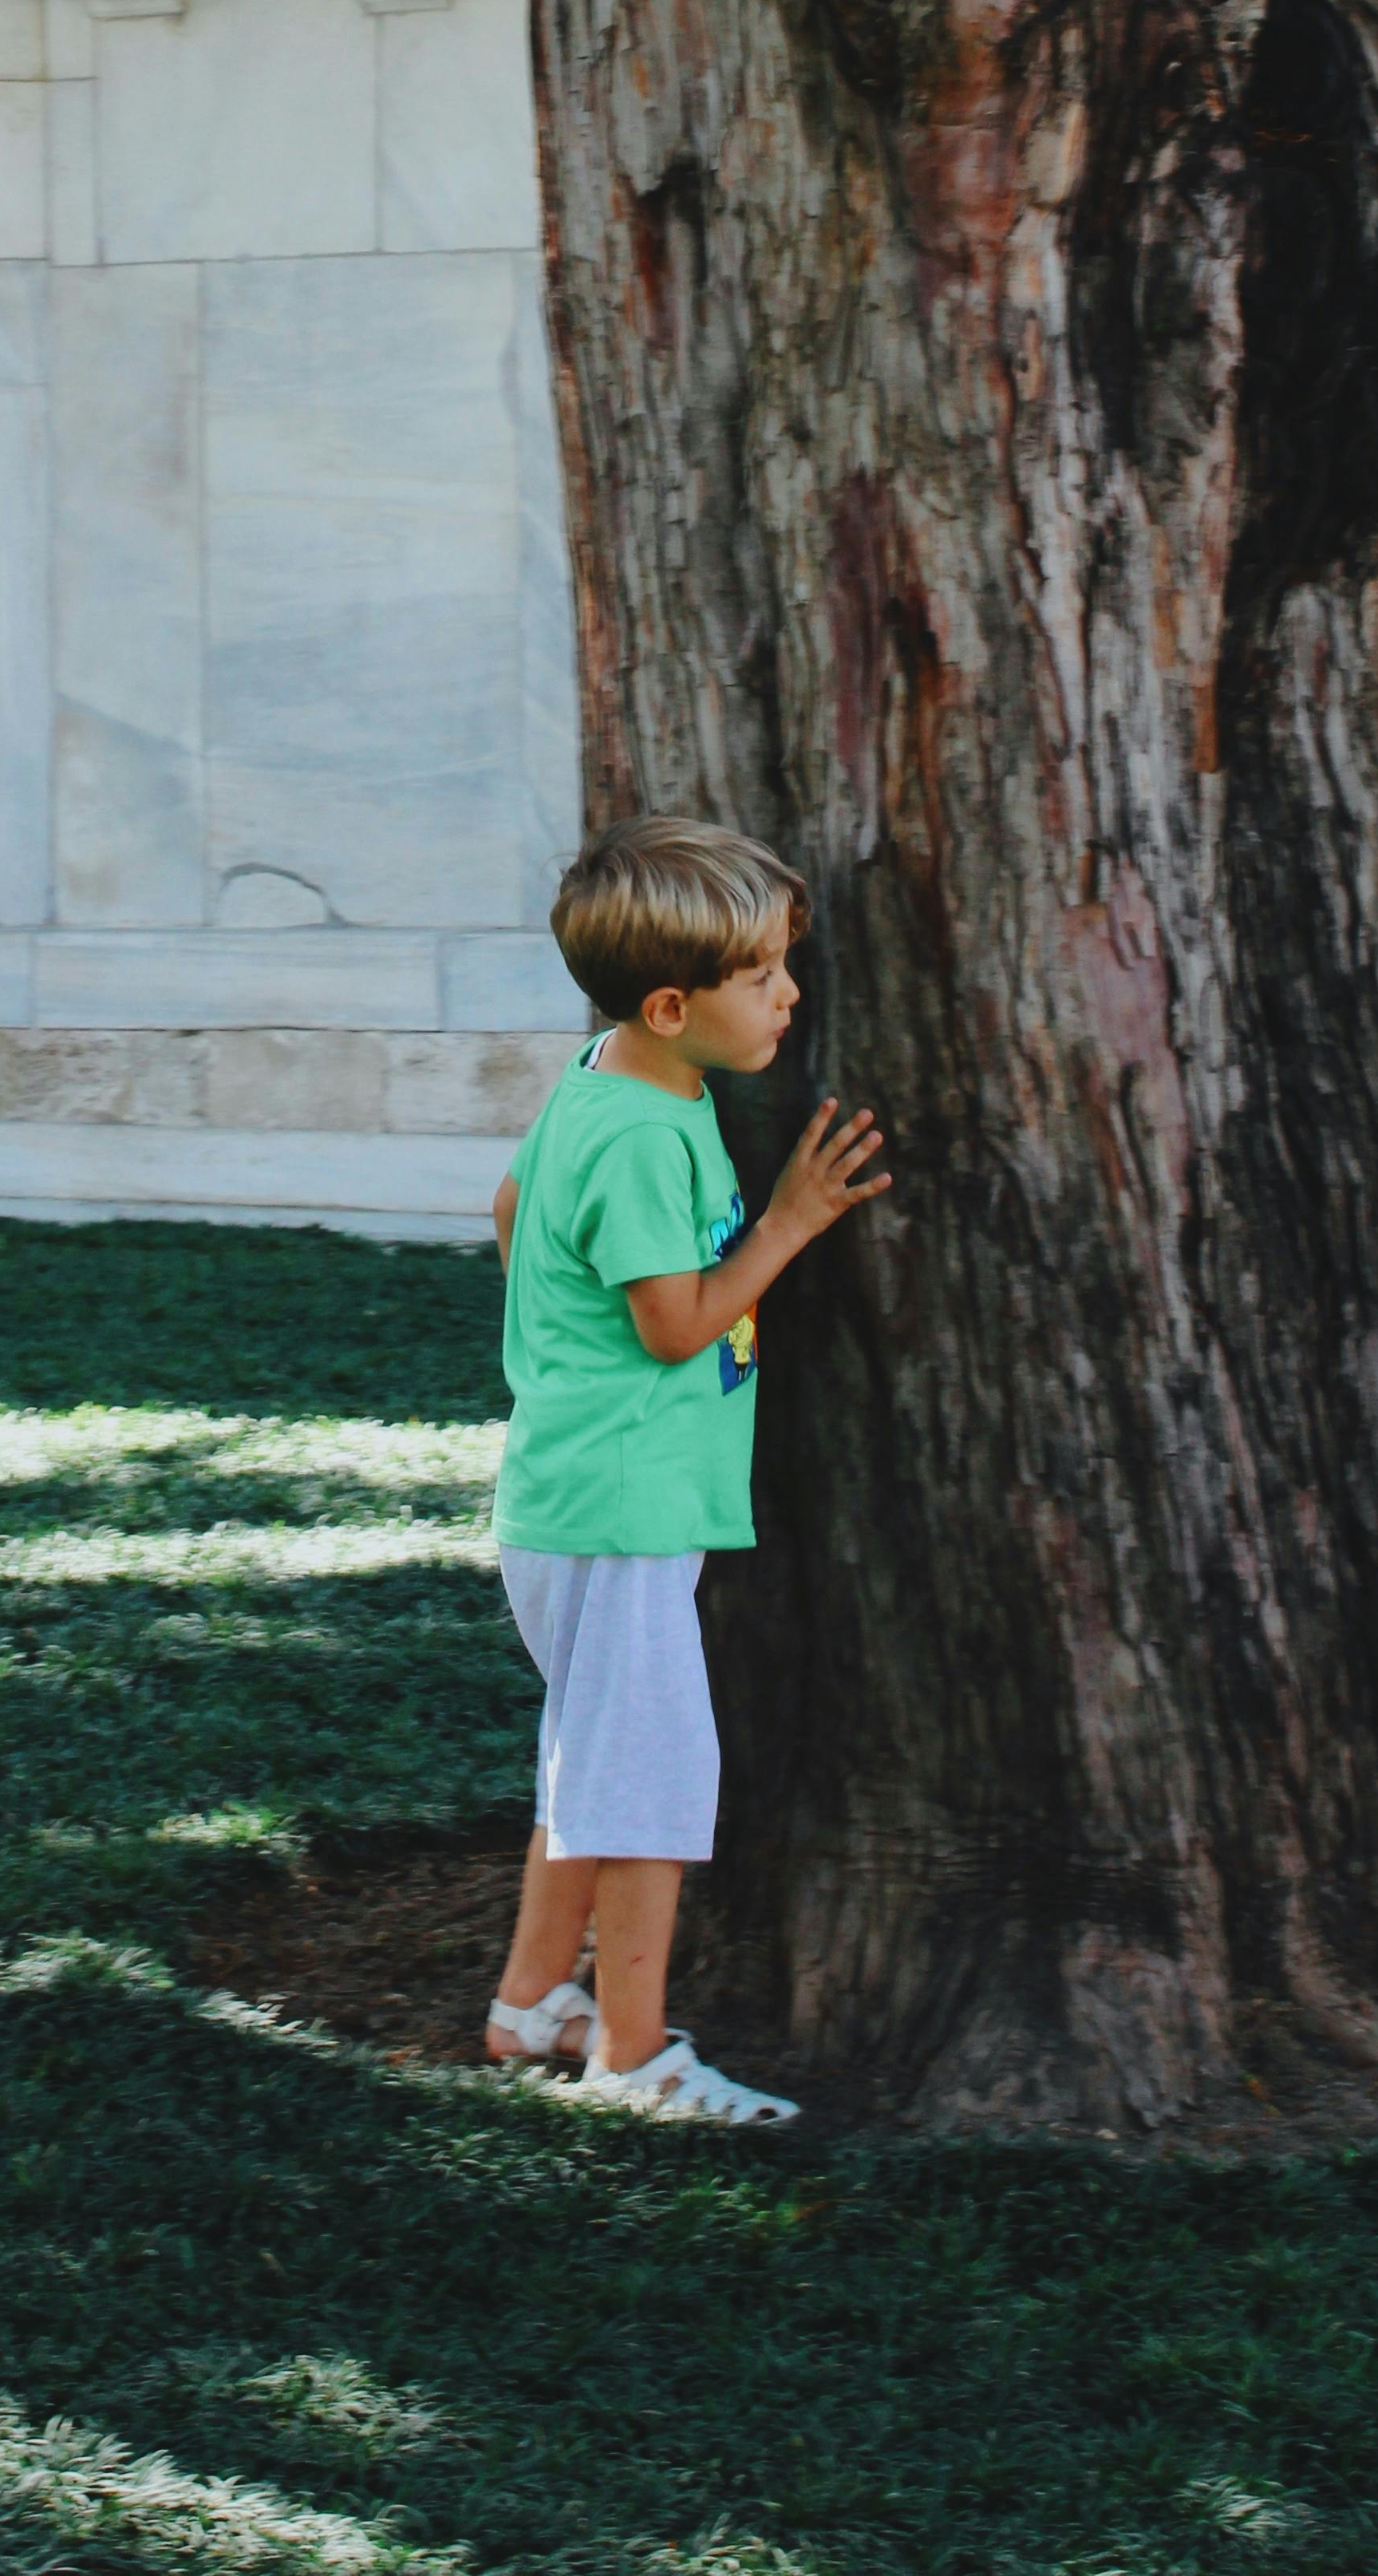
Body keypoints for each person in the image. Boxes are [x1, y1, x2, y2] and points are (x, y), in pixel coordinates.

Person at [482, 815, 887, 2124]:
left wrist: (557, 1334)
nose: (791, 994)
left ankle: (530, 2002)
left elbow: (511, 1205)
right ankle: (634, 2056)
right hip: (620, 1512)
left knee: (590, 1758)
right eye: (762, 975)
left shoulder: (603, 1080)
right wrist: (789, 1223)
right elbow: (672, 1326)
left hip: (575, 1496)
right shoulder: (648, 1136)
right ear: (672, 1006)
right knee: (646, 1784)